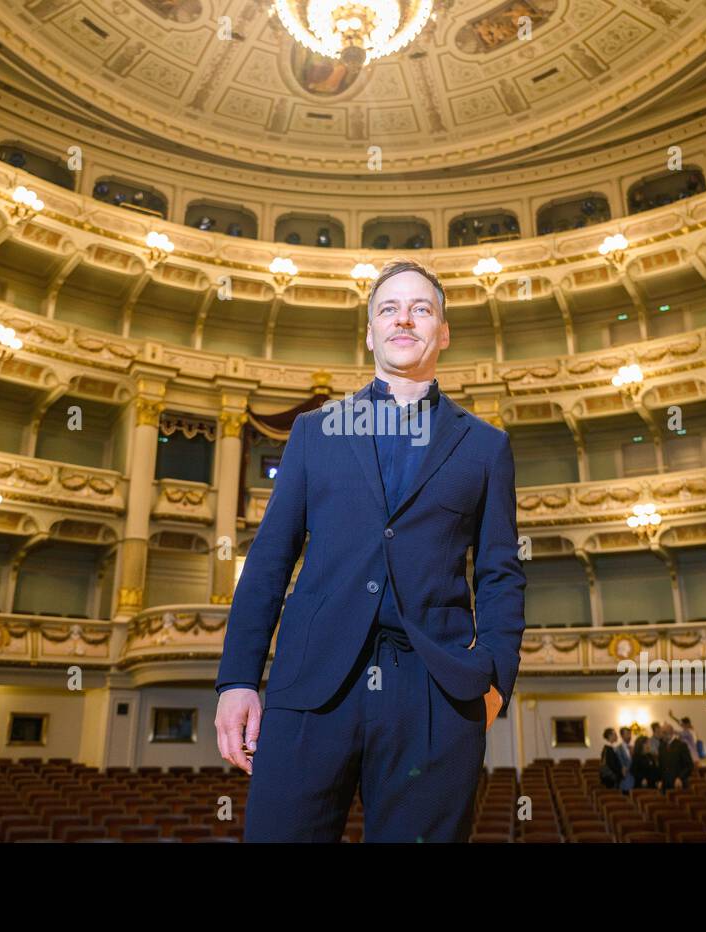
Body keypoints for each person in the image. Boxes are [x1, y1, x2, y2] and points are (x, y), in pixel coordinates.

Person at [214, 258, 527, 842]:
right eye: (388, 308)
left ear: (443, 330)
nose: (403, 319)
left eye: (420, 308)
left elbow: (500, 574)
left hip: (436, 695)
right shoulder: (314, 430)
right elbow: (268, 563)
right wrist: (237, 680)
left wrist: (494, 678)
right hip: (310, 688)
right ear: (369, 332)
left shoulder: (486, 446)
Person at [658, 723, 694, 791]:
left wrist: (680, 778)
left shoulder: (681, 746)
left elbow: (689, 765)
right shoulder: (661, 747)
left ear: (670, 732)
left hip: (678, 784)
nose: (661, 735)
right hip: (665, 785)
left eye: (663, 733)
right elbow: (661, 766)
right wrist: (660, 779)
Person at [617, 726, 635, 792]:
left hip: (635, 778)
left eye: (630, 734)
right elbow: (621, 765)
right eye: (627, 734)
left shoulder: (633, 747)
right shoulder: (618, 749)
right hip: (625, 780)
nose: (629, 736)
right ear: (622, 736)